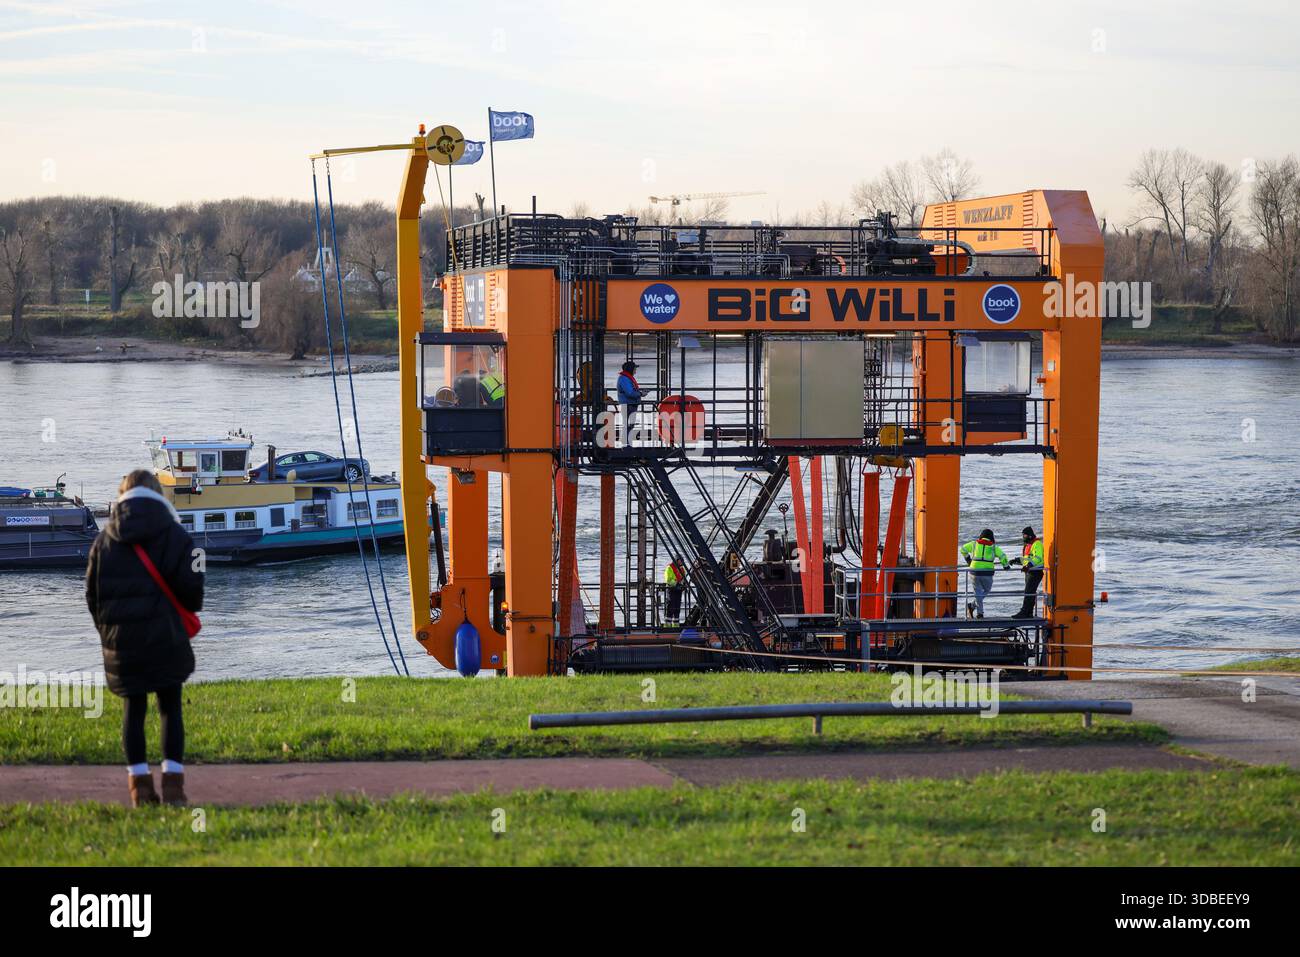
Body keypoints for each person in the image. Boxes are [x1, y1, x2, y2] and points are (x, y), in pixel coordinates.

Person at [86, 470, 204, 808]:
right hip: (167, 636)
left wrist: (109, 632)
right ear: (157, 494)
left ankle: (139, 788)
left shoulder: (103, 542)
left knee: (133, 710)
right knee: (170, 708)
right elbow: (194, 591)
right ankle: (174, 789)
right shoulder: (177, 536)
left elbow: (92, 596)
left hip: (122, 641)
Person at [960, 528, 1009, 619]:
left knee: (978, 592)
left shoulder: (974, 544)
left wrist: (968, 559)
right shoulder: (994, 547)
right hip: (987, 572)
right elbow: (1002, 556)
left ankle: (975, 609)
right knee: (986, 590)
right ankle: (978, 612)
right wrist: (1005, 565)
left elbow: (963, 549)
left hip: (974, 571)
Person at [1010, 525, 1045, 618]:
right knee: (1030, 592)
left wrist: (1029, 566)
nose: (1023, 537)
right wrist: (1016, 560)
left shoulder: (1037, 544)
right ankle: (1029, 612)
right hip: (1029, 571)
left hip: (1035, 571)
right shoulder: (1028, 545)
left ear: (1029, 535)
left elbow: (1038, 558)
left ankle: (1025, 612)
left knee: (1029, 592)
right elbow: (1027, 558)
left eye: (1024, 535)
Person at [616, 359, 643, 447]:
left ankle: (627, 443)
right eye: (635, 368)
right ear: (631, 369)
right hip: (628, 405)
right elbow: (630, 393)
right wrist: (641, 394)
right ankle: (626, 444)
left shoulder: (625, 378)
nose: (635, 370)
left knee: (629, 425)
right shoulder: (624, 379)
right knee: (628, 425)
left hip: (630, 404)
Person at [664, 558, 686, 624]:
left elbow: (683, 579)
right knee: (670, 607)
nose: (681, 562)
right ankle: (668, 625)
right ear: (676, 561)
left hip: (678, 590)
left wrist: (682, 584)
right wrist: (677, 583)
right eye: (679, 561)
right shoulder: (669, 567)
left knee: (677, 607)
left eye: (681, 561)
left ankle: (676, 625)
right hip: (671, 590)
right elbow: (668, 579)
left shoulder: (682, 569)